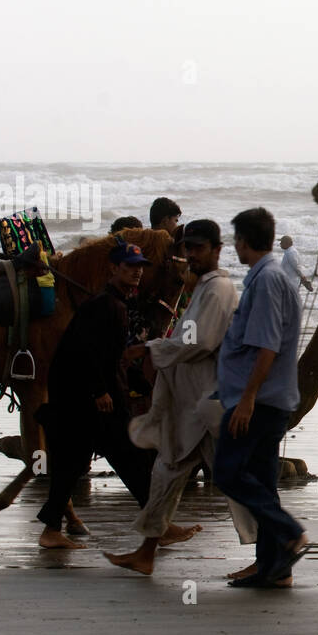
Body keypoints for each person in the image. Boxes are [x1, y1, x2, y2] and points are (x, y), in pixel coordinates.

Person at [104, 219, 259, 576]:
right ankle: (145, 553)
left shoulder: (219, 289)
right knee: (165, 475)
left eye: (198, 248)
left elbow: (199, 342)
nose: (190, 254)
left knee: (235, 480)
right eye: (187, 248)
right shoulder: (203, 288)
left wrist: (149, 349)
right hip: (189, 405)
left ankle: (273, 553)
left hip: (209, 404)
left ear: (217, 250)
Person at [35, 240, 159, 549]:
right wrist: (101, 391)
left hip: (85, 399)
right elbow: (86, 353)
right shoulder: (106, 305)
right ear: (114, 268)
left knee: (72, 463)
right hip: (89, 400)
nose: (136, 272)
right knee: (131, 458)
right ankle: (158, 524)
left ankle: (51, 531)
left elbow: (111, 356)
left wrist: (137, 382)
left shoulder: (114, 304)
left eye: (140, 267)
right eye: (129, 267)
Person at [212, 207, 309, 588]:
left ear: (243, 241)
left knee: (227, 472)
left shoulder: (267, 280)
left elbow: (266, 347)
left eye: (234, 239)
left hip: (259, 401)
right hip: (268, 398)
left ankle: (289, 532)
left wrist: (247, 399)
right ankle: (277, 569)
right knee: (262, 482)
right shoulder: (270, 276)